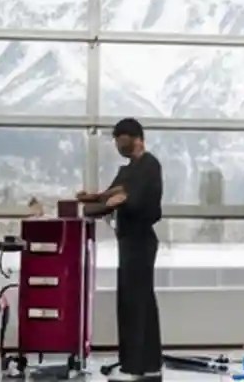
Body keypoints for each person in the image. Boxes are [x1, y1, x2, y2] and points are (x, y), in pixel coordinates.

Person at [77, 118, 164, 381]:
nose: (118, 144)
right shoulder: (128, 171)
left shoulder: (149, 165)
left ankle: (135, 367)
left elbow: (133, 200)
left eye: (121, 138)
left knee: (135, 302)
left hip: (140, 240)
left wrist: (116, 200)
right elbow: (111, 195)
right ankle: (147, 363)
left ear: (137, 138)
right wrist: (99, 199)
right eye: (115, 139)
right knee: (138, 301)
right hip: (127, 241)